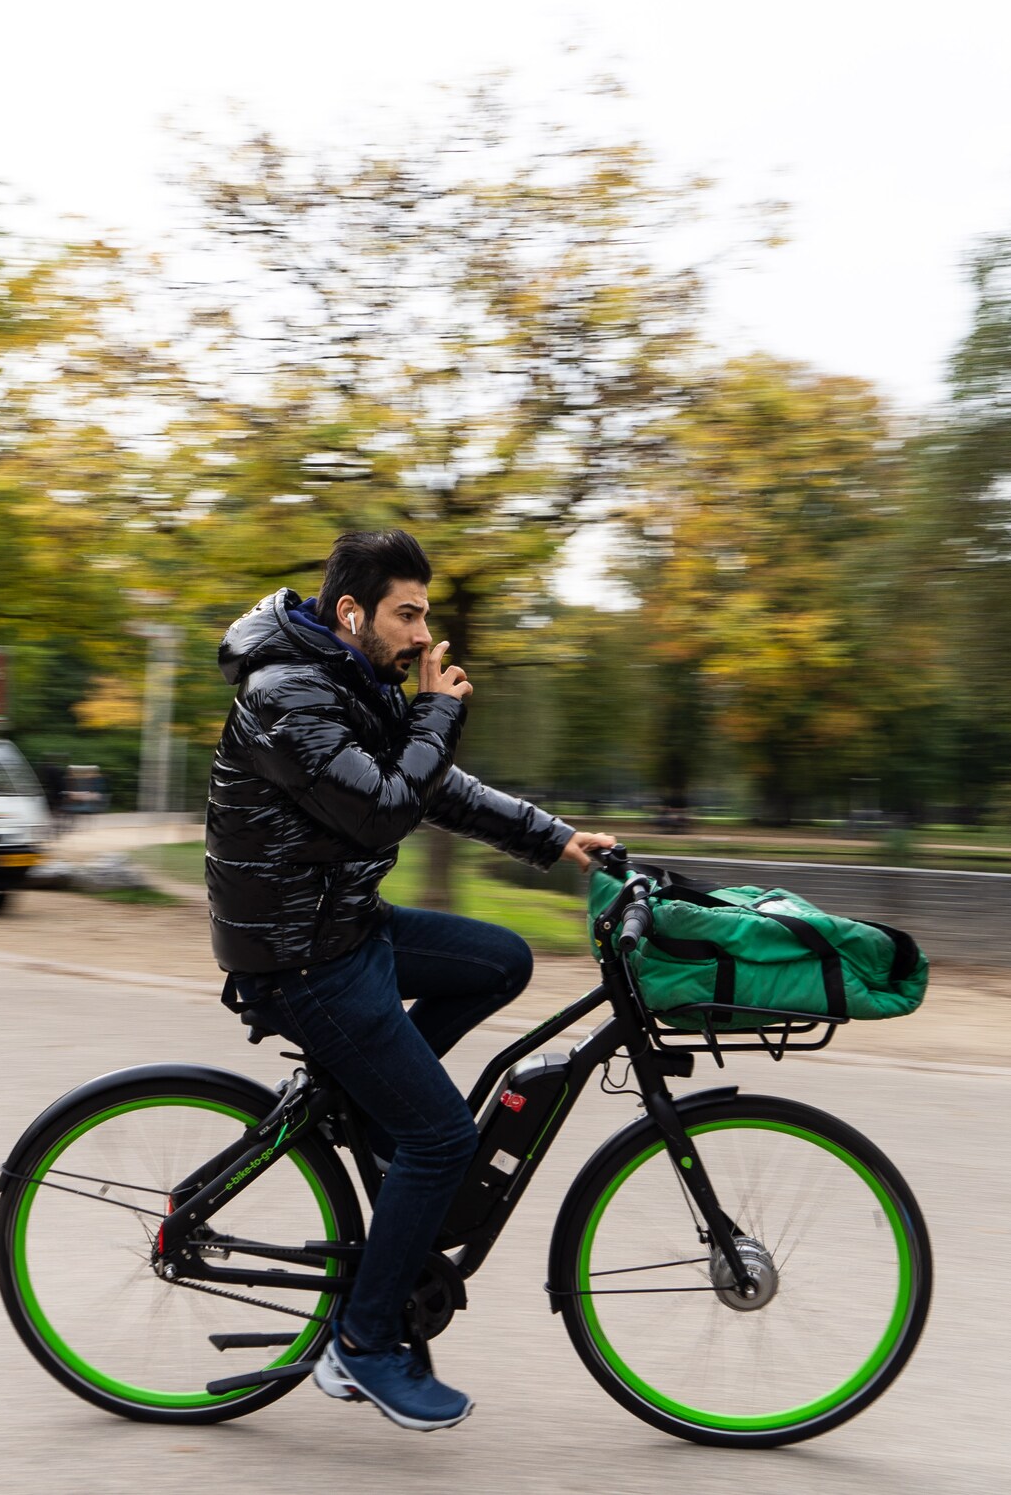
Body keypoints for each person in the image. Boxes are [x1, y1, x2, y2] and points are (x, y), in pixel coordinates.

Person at [207, 529, 614, 1433]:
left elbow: (437, 789)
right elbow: (385, 809)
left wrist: (556, 839)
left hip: (344, 925)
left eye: (425, 614)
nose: (424, 634)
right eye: (409, 614)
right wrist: (436, 715)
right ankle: (362, 1344)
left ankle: (370, 1093)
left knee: (502, 959)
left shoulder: (348, 677)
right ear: (352, 612)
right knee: (441, 1141)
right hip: (299, 957)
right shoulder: (286, 694)